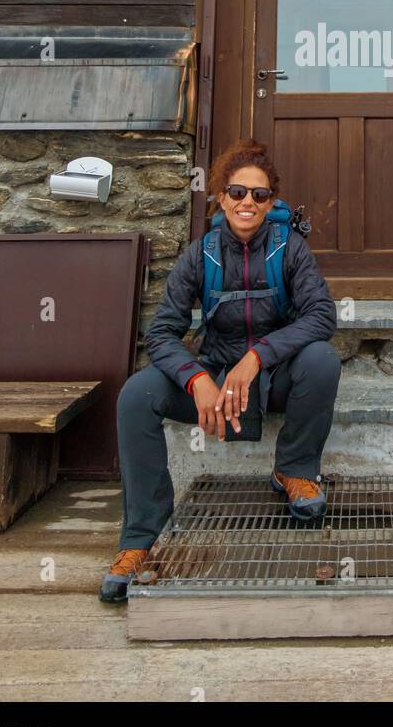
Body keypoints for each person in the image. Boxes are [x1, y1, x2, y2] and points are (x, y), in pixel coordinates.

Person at [98, 137, 340, 603]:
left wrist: (257, 358)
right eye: (237, 192)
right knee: (136, 396)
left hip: (272, 379)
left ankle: (294, 470)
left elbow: (321, 316)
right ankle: (139, 539)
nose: (247, 202)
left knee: (322, 361)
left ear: (271, 202)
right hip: (212, 374)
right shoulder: (199, 254)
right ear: (220, 196)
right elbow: (162, 333)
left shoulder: (290, 249)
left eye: (260, 195)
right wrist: (197, 378)